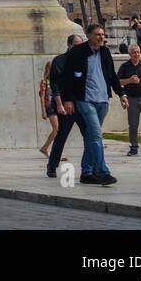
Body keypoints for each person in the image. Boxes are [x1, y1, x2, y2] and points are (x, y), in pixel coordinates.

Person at [56, 23, 127, 186]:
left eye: (103, 34)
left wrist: (121, 93)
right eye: (97, 34)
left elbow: (112, 76)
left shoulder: (105, 52)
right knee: (96, 135)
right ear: (88, 36)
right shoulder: (78, 53)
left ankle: (86, 172)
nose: (101, 37)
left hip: (102, 100)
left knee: (90, 137)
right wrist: (67, 99)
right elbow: (67, 77)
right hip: (85, 100)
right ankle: (103, 171)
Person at [45, 34, 84, 178]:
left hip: (81, 104)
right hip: (65, 105)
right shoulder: (60, 60)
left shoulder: (83, 60)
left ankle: (90, 167)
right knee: (61, 136)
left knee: (90, 135)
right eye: (76, 45)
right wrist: (60, 104)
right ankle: (52, 166)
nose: (79, 48)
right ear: (69, 45)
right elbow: (54, 84)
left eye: (81, 45)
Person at [38, 59, 59, 157]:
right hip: (50, 107)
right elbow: (42, 97)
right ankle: (45, 148)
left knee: (58, 130)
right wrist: (43, 111)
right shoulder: (45, 82)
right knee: (56, 129)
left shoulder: (57, 80)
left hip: (57, 106)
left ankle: (46, 148)